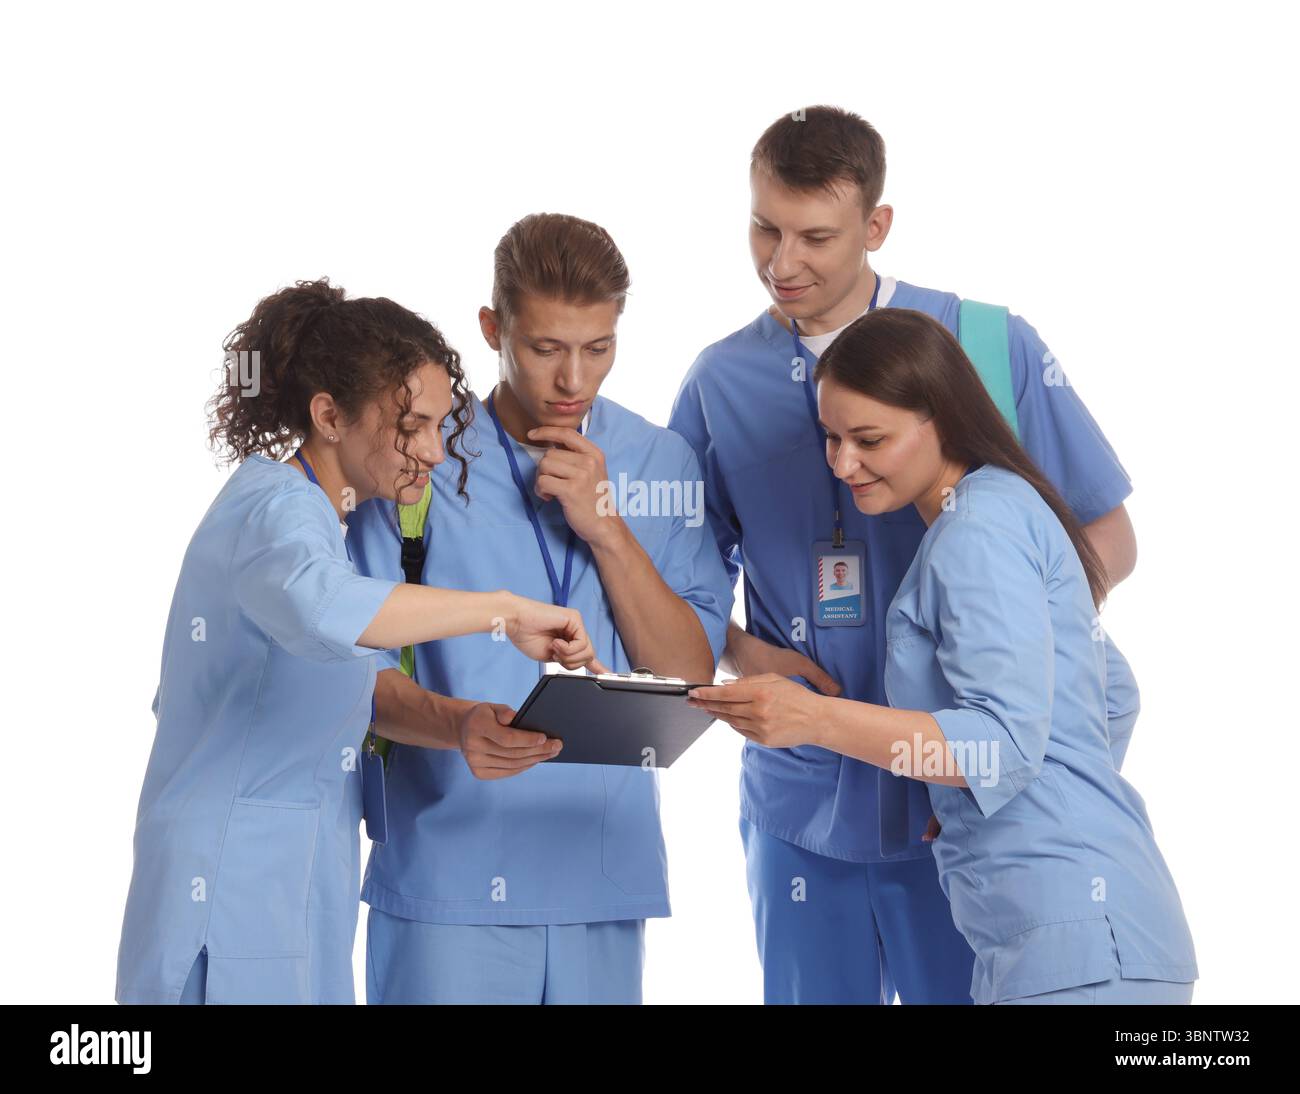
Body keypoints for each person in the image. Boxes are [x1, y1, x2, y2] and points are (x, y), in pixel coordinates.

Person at [668, 105, 1140, 1004]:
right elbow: (685, 586)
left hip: (965, 801)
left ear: (876, 226)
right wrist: (744, 650)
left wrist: (1017, 654)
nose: (782, 262)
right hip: (806, 804)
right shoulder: (717, 383)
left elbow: (1105, 536)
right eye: (764, 227)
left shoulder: (992, 346)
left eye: (816, 235)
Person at [688, 307, 1198, 1005]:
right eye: (831, 438)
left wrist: (813, 720)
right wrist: (972, 791)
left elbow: (1007, 743)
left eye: (869, 440)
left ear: (943, 419)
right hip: (1095, 932)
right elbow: (1112, 693)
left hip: (1074, 949)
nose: (842, 464)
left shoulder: (977, 533)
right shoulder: (1003, 509)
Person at [115, 279, 597, 1005]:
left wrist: (463, 723)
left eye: (443, 425)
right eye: (414, 426)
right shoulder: (275, 512)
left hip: (295, 887)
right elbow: (323, 608)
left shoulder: (324, 527)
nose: (435, 452)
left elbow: (361, 682)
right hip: (229, 886)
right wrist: (501, 610)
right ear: (329, 416)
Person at [345, 214, 733, 1005]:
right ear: (493, 329)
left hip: (601, 872)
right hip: (445, 878)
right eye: (545, 348)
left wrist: (607, 529)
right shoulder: (418, 454)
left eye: (598, 348)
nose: (573, 380)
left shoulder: (659, 461)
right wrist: (458, 725)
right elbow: (356, 677)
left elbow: (690, 671)